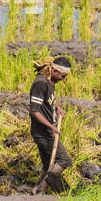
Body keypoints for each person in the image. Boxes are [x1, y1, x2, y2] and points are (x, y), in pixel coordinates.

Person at [29, 55, 73, 192]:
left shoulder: (50, 82)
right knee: (65, 160)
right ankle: (53, 181)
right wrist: (52, 127)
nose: (62, 79)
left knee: (49, 165)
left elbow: (46, 102)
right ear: (54, 71)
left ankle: (38, 191)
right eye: (62, 76)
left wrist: (56, 107)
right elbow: (34, 111)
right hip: (43, 133)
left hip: (46, 131)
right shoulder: (40, 83)